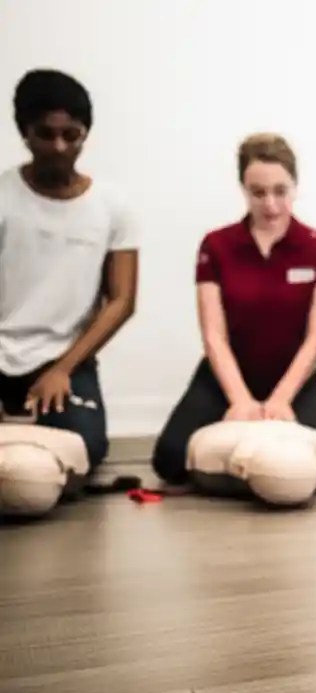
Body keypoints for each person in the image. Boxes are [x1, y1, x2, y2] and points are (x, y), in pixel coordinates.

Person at [151, 133, 316, 485]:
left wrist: (282, 399)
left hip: (293, 377)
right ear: (243, 189)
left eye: (280, 191)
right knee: (169, 459)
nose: (270, 204)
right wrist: (239, 400)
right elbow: (213, 334)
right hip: (224, 374)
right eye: (258, 193)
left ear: (295, 187)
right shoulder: (216, 245)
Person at [0, 69, 138, 476]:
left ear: (84, 135)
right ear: (25, 133)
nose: (59, 147)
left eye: (72, 135)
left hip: (64, 359)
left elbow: (122, 300)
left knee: (85, 448)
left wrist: (62, 368)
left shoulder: (113, 206)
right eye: (46, 134)